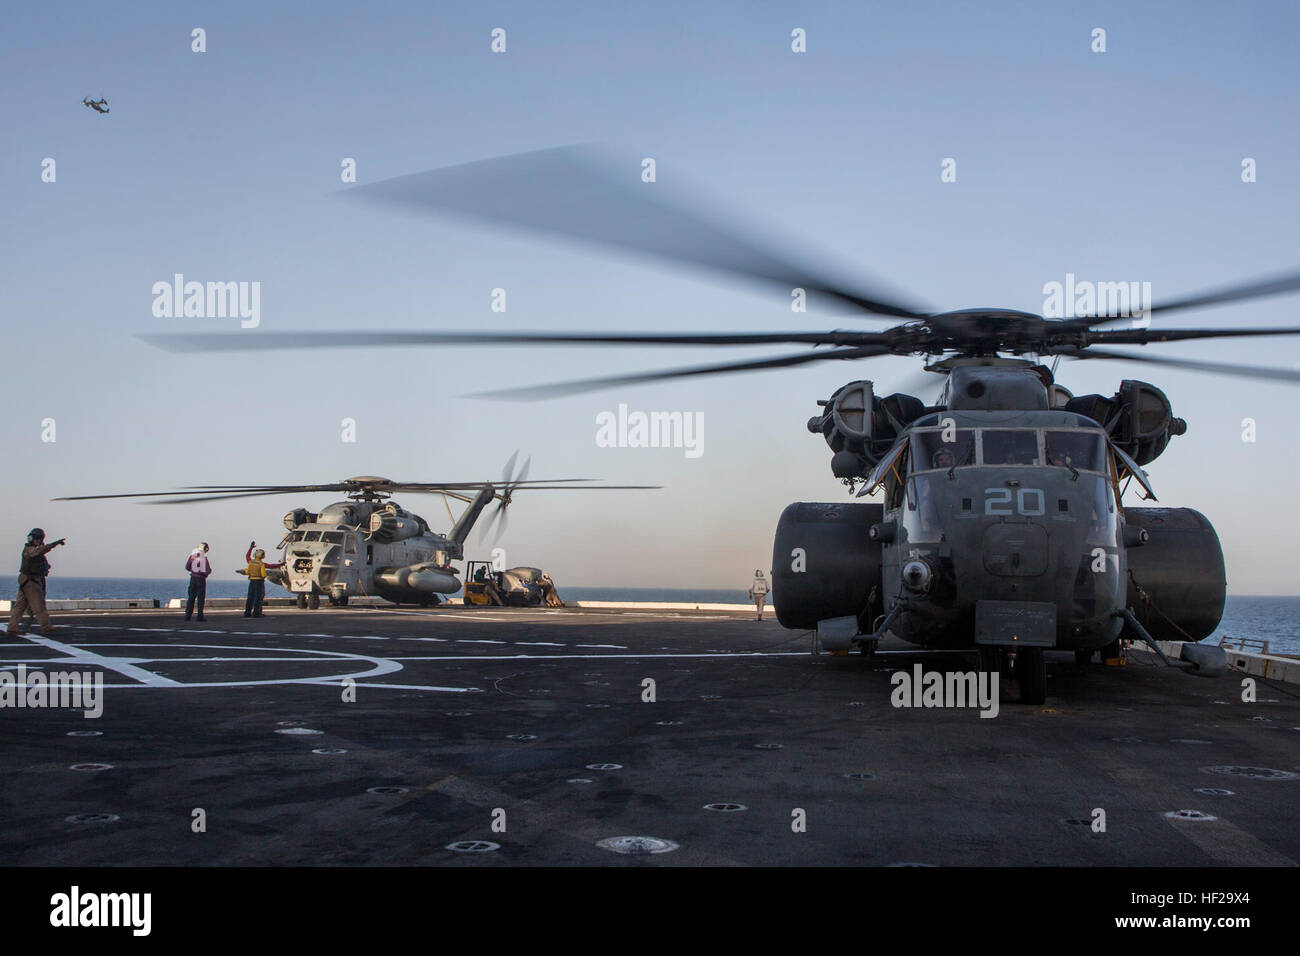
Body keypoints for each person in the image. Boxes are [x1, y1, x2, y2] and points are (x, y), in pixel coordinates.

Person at [6, 529, 66, 637]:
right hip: (31, 582)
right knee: (38, 605)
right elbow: (39, 551)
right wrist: (54, 544)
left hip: (26, 581)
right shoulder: (31, 550)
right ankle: (46, 627)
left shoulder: (32, 550)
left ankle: (12, 627)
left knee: (19, 606)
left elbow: (41, 561)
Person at [185, 542, 212, 621]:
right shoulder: (204, 557)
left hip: (193, 578)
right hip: (201, 579)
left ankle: (188, 615)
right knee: (200, 598)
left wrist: (193, 571)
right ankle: (200, 616)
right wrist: (208, 572)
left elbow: (187, 567)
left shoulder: (192, 556)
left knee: (191, 597)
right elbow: (207, 570)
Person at [242, 548, 268, 617]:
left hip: (252, 581)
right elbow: (263, 574)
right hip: (259, 581)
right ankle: (256, 613)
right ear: (262, 556)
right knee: (258, 598)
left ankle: (247, 612)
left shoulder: (251, 562)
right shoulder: (261, 564)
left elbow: (247, 571)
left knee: (250, 597)